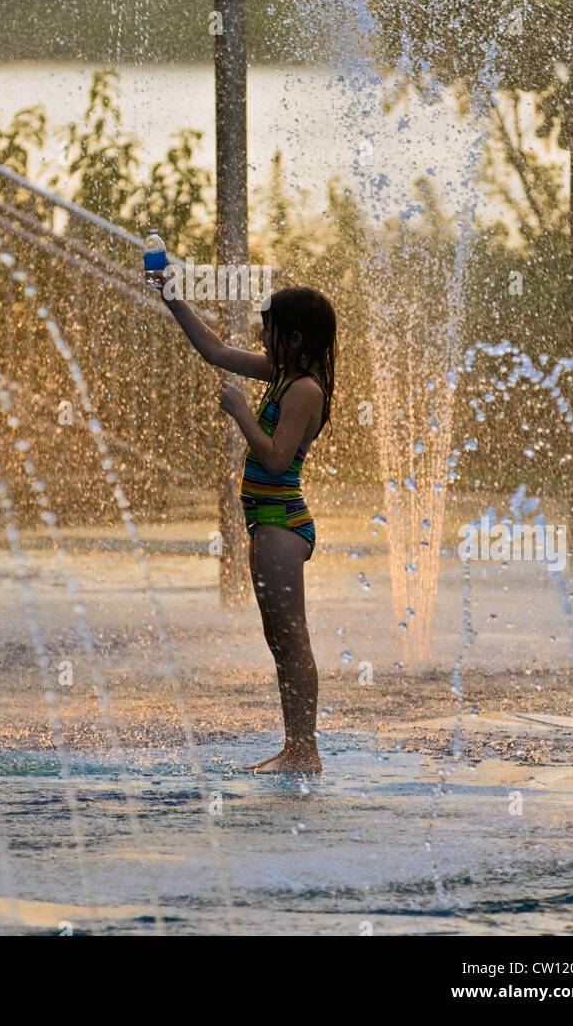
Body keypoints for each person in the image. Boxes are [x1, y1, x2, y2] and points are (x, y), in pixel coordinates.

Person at [149, 272, 337, 775]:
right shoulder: (280, 373)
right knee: (277, 638)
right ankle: (294, 745)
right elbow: (213, 350)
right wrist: (170, 294)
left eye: (267, 327)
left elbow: (277, 460)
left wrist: (239, 413)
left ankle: (305, 750)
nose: (259, 337)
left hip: (282, 524)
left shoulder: (303, 390)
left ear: (294, 338)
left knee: (292, 638)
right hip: (267, 524)